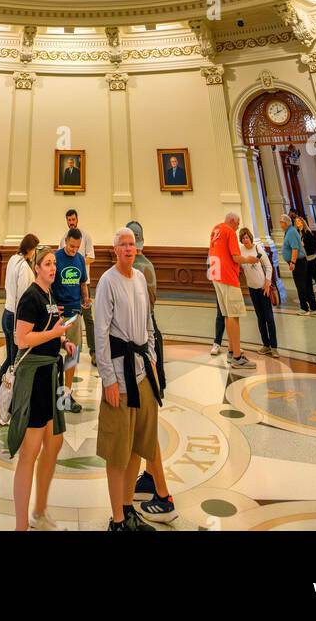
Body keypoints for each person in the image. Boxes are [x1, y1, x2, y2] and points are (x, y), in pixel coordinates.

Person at [95, 227, 161, 532]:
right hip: (119, 377)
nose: (128, 248)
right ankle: (117, 521)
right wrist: (108, 378)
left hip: (142, 373)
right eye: (122, 244)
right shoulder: (107, 282)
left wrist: (152, 359)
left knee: (137, 444)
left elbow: (148, 321)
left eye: (131, 244)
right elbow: (100, 333)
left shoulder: (139, 279)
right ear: (115, 250)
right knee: (117, 450)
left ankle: (127, 507)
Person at [8, 246, 73, 531]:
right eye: (47, 263)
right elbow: (22, 339)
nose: (52, 268)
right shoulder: (30, 297)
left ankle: (40, 511)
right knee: (30, 452)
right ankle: (21, 524)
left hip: (52, 375)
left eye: (54, 264)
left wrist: (62, 342)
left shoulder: (49, 295)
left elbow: (51, 330)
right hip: (35, 378)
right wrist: (55, 334)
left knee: (54, 442)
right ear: (36, 267)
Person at [126, 221, 177, 525]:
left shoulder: (138, 271)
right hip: (148, 346)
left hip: (144, 350)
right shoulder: (146, 266)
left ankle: (163, 494)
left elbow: (141, 315)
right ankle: (149, 476)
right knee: (148, 422)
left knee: (146, 424)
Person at [0, 232, 38, 418]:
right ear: (31, 250)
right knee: (13, 362)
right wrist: (21, 328)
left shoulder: (12, 260)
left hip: (6, 314)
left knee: (10, 361)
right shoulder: (25, 268)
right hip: (16, 318)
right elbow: (23, 299)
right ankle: (3, 403)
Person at [206, 213, 258, 369]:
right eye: (238, 224)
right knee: (234, 316)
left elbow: (212, 253)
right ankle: (237, 357)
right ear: (232, 221)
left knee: (227, 314)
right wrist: (249, 260)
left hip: (216, 275)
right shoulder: (229, 231)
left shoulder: (216, 229)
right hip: (228, 277)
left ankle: (231, 350)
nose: (238, 227)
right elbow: (235, 257)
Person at [53, 228, 89, 413]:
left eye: (77, 247)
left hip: (75, 313)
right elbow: (47, 285)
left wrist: (86, 299)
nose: (74, 250)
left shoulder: (80, 259)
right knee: (52, 354)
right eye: (71, 245)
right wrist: (52, 309)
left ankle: (67, 393)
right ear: (65, 240)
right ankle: (52, 393)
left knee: (72, 354)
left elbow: (83, 282)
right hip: (58, 315)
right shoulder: (55, 258)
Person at [59, 208, 96, 363]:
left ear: (77, 219)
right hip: (66, 287)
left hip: (82, 283)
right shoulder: (63, 239)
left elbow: (91, 257)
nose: (71, 222)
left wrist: (77, 261)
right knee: (61, 318)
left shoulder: (85, 236)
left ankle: (94, 351)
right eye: (69, 220)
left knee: (87, 318)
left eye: (73, 219)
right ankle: (61, 347)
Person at [239, 228, 278, 355]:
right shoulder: (241, 251)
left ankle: (274, 347)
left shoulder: (257, 249)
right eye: (243, 238)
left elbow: (268, 266)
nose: (245, 240)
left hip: (263, 288)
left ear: (250, 237)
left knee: (269, 318)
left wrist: (267, 282)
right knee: (260, 318)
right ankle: (265, 345)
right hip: (252, 289)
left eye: (246, 237)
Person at [281, 214, 316, 314]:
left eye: (281, 222)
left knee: (301, 286)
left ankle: (304, 308)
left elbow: (295, 248)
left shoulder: (291, 232)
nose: (280, 224)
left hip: (298, 262)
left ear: (285, 223)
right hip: (299, 262)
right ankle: (313, 307)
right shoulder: (290, 231)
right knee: (305, 285)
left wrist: (292, 262)